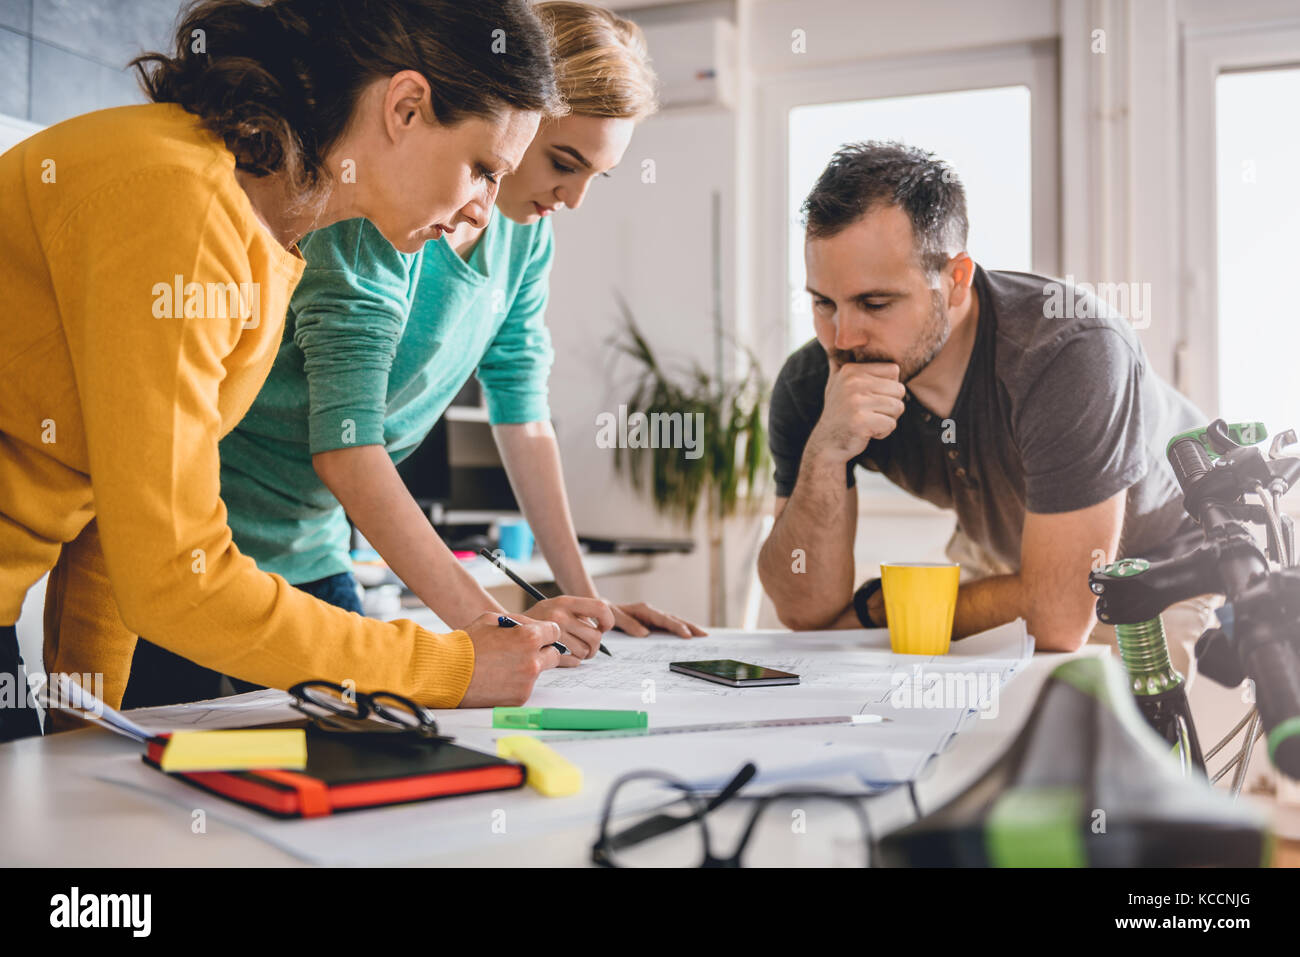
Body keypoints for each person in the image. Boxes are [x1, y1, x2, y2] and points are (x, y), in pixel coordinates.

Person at [0, 0, 570, 741]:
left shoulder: (269, 236)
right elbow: (179, 578)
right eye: (483, 169)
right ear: (405, 107)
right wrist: (448, 666)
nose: (485, 211)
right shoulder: (186, 203)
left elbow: (112, 526)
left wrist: (83, 730)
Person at [122, 2, 706, 707]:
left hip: (312, 545)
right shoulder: (376, 216)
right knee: (152, 770)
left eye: (597, 177)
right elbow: (347, 446)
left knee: (358, 748)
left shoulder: (524, 238)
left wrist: (585, 603)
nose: (575, 198)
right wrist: (489, 629)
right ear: (521, 113)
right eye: (561, 162)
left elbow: (523, 411)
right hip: (200, 538)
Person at [757, 141, 1214, 676]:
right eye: (822, 302)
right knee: (951, 729)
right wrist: (826, 451)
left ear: (954, 283)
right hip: (1008, 554)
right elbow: (803, 609)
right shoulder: (814, 381)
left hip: (1158, 565)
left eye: (875, 303)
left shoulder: (1067, 353)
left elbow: (1059, 616)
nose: (842, 336)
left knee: (1128, 745)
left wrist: (877, 608)